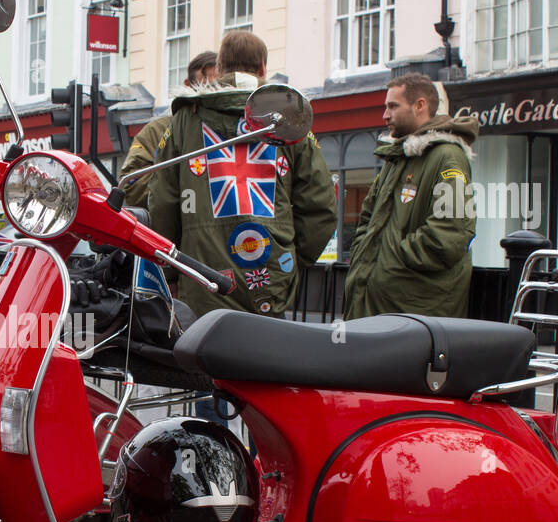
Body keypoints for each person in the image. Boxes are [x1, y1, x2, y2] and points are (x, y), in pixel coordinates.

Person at [148, 31, 336, 319]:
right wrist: (294, 259)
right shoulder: (289, 121)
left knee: (200, 357)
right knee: (264, 359)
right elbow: (320, 205)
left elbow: (162, 202)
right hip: (270, 273)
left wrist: (172, 272)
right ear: (263, 68)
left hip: (202, 276)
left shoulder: (185, 120)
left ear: (220, 68)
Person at [344, 73, 479, 320]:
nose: (385, 115)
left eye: (393, 106)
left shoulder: (447, 157)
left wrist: (393, 257)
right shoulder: (397, 158)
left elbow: (451, 233)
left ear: (420, 106)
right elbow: (368, 218)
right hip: (381, 306)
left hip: (413, 312)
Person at [119, 51, 218, 208]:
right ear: (188, 86)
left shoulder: (238, 128)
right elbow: (131, 186)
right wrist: (183, 178)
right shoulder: (157, 131)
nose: (210, 97)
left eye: (217, 89)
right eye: (203, 88)